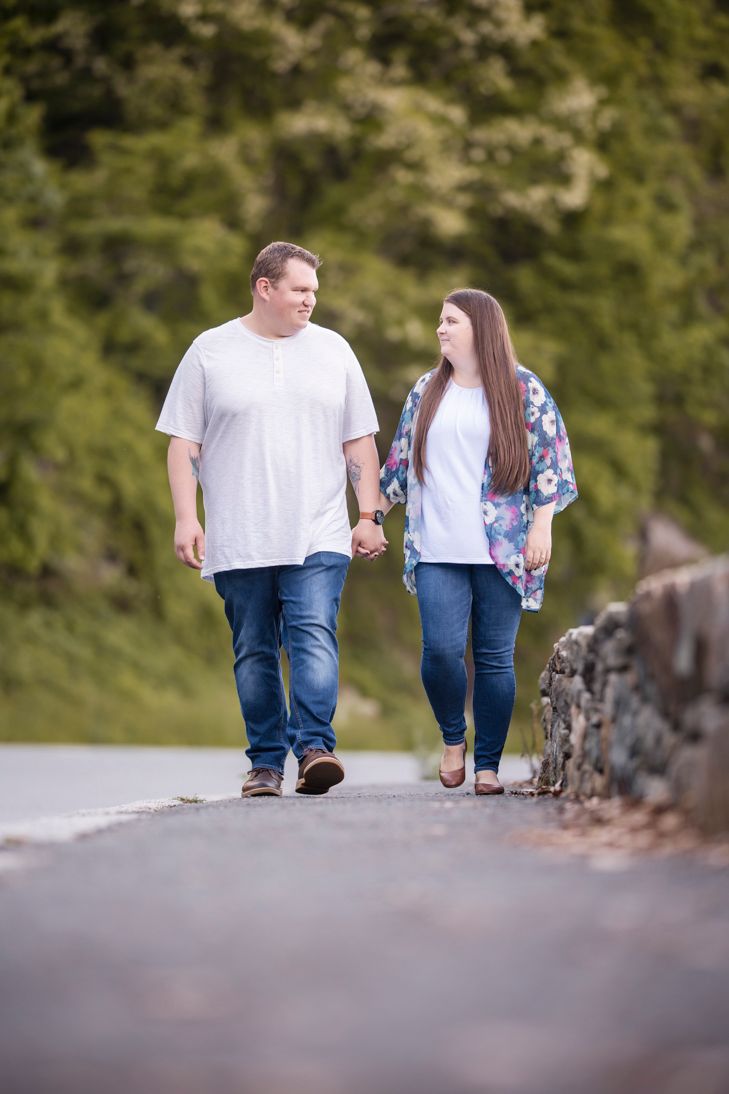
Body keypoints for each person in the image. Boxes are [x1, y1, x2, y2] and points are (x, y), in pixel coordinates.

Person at [156, 242, 387, 798]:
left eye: (314, 291)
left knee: (313, 636)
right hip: (240, 533)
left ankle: (313, 749)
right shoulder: (210, 351)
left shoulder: (333, 350)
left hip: (319, 529)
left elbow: (359, 440)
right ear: (265, 288)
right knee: (254, 649)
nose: (311, 300)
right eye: (300, 290)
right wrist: (187, 517)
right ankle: (264, 763)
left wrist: (369, 514)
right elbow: (184, 442)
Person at [376, 289, 577, 795]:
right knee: (441, 652)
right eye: (440, 321)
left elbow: (551, 464)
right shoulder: (427, 389)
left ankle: (487, 766)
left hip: (504, 551)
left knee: (494, 658)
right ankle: (452, 738)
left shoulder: (523, 389)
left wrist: (541, 527)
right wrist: (371, 515)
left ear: (481, 328)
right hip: (436, 548)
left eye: (451, 321)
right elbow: (400, 462)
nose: (440, 329)